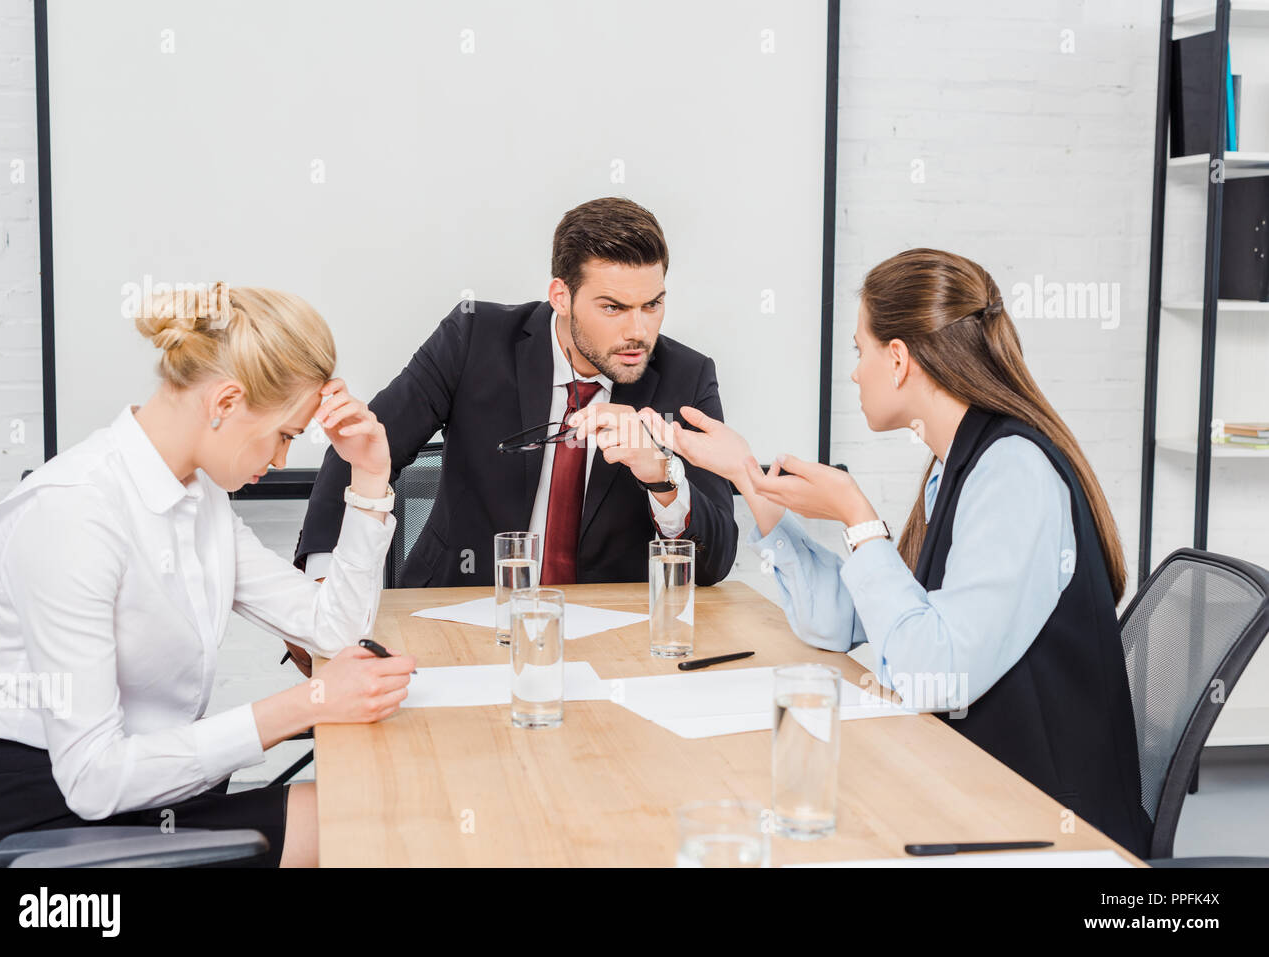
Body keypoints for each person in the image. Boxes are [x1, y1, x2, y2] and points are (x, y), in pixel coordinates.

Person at [664, 248, 1153, 858]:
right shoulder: (955, 466)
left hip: (1038, 824)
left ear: (896, 360)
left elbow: (931, 673)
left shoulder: (1012, 472)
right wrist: (748, 478)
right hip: (971, 785)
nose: (854, 372)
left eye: (858, 350)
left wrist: (858, 518)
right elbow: (837, 620)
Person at [0, 282, 415, 868]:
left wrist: (370, 477)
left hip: (157, 789)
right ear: (226, 403)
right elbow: (93, 780)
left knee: (374, 810)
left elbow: (332, 629)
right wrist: (306, 703)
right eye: (284, 435)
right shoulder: (73, 514)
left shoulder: (199, 497)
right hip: (50, 813)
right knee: (363, 831)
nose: (283, 460)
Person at [291, 197, 737, 671]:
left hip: (610, 640)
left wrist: (660, 474)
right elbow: (363, 445)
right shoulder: (473, 337)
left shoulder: (685, 377)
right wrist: (320, 587)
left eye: (653, 305)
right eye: (613, 307)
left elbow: (714, 563)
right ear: (561, 296)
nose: (638, 330)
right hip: (455, 618)